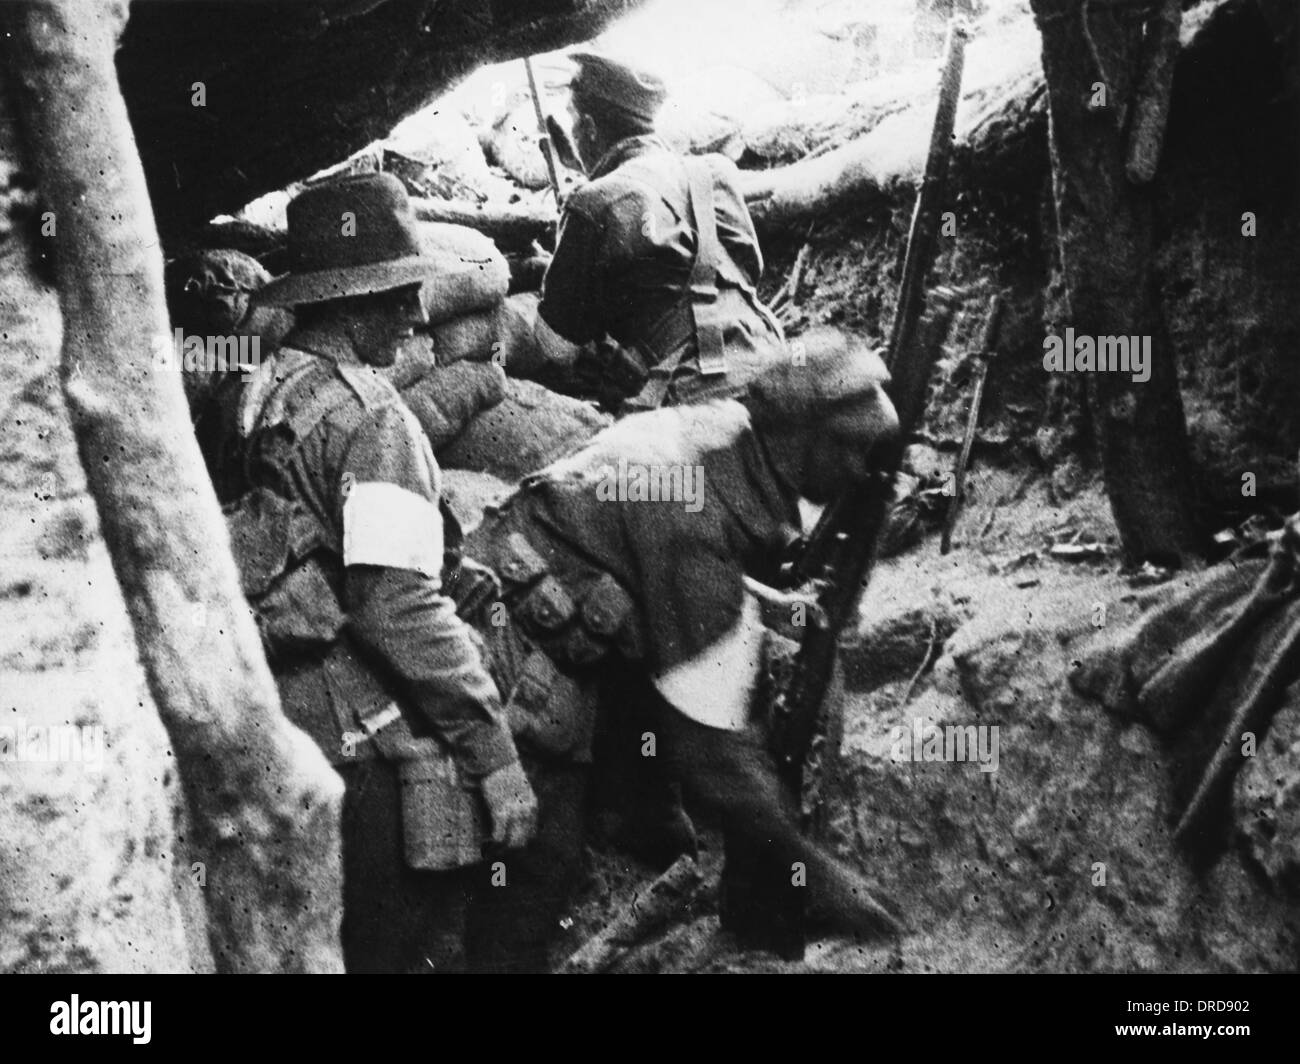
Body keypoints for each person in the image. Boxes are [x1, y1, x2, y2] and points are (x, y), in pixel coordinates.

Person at [462, 325, 907, 966]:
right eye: (855, 452)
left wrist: (759, 604)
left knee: (648, 801)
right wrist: (816, 872)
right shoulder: (692, 504)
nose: (862, 472)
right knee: (535, 866)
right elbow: (709, 746)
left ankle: (637, 818)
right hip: (511, 647)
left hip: (573, 604)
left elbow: (663, 564)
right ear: (805, 435)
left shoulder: (725, 432)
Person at [237, 172, 537, 972]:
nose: (413, 317)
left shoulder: (264, 387)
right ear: (350, 301)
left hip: (280, 721)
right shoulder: (375, 418)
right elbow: (392, 603)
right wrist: (494, 754)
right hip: (363, 748)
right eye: (397, 294)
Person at [533, 50, 787, 414]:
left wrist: (562, 262)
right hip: (772, 373)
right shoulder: (714, 172)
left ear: (588, 129)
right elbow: (748, 272)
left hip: (695, 404)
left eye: (574, 125)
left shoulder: (593, 204)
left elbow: (555, 348)